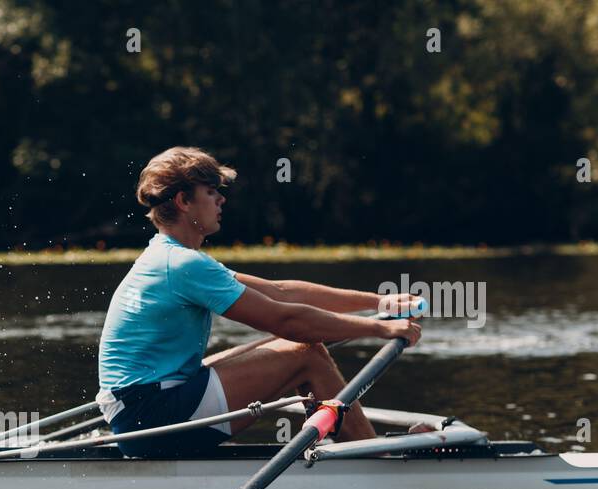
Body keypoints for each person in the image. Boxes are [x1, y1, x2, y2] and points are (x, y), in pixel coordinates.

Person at [98, 146, 425, 458]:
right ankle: (375, 459)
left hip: (140, 412)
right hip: (151, 420)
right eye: (211, 190)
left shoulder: (170, 257)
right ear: (184, 200)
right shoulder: (184, 265)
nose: (221, 198)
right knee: (306, 352)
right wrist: (379, 330)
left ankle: (348, 444)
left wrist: (379, 303)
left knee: (292, 347)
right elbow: (287, 321)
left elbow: (281, 292)